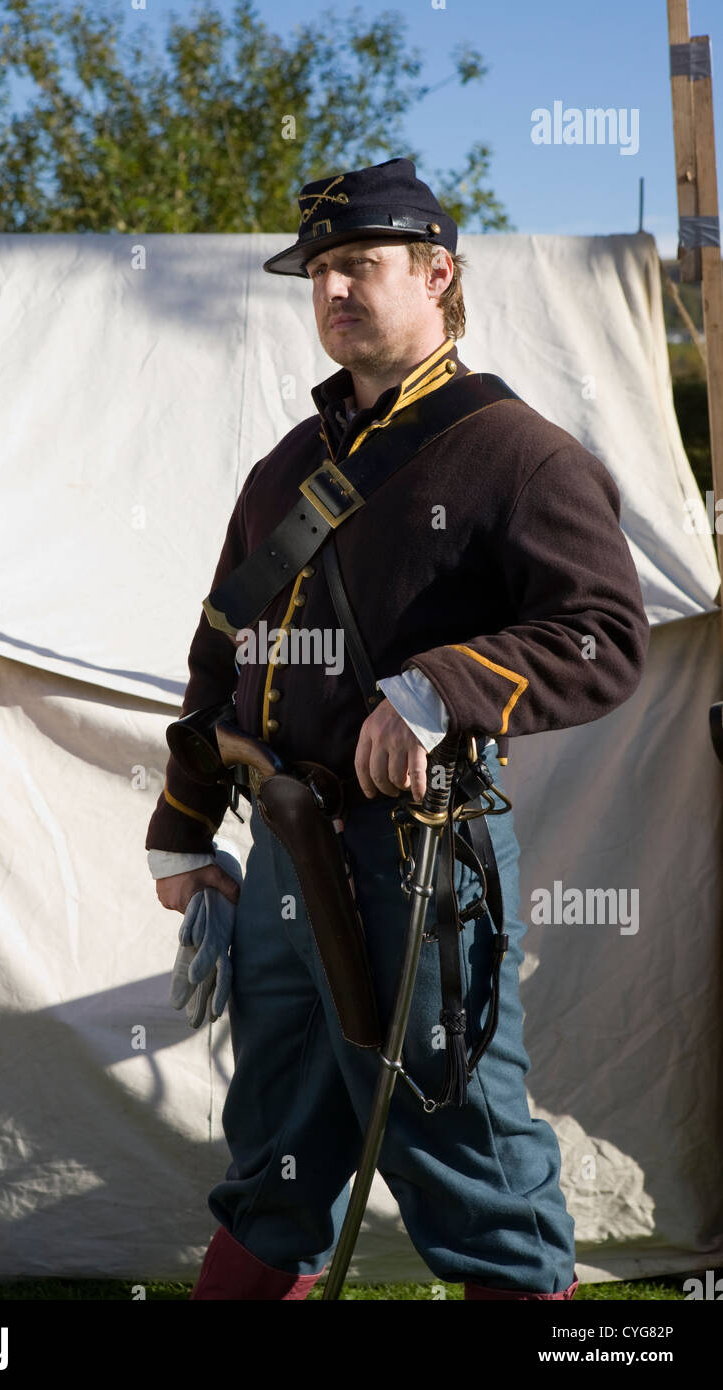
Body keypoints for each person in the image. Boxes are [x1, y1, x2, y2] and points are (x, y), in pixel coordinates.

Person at [146, 157, 650, 1300]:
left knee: (462, 1149)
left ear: (436, 274)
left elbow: (602, 635)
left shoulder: (518, 452)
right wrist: (183, 825)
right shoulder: (288, 464)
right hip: (282, 846)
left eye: (358, 264)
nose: (331, 289)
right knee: (272, 1154)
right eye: (317, 270)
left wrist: (435, 688)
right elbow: (223, 643)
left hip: (417, 855)